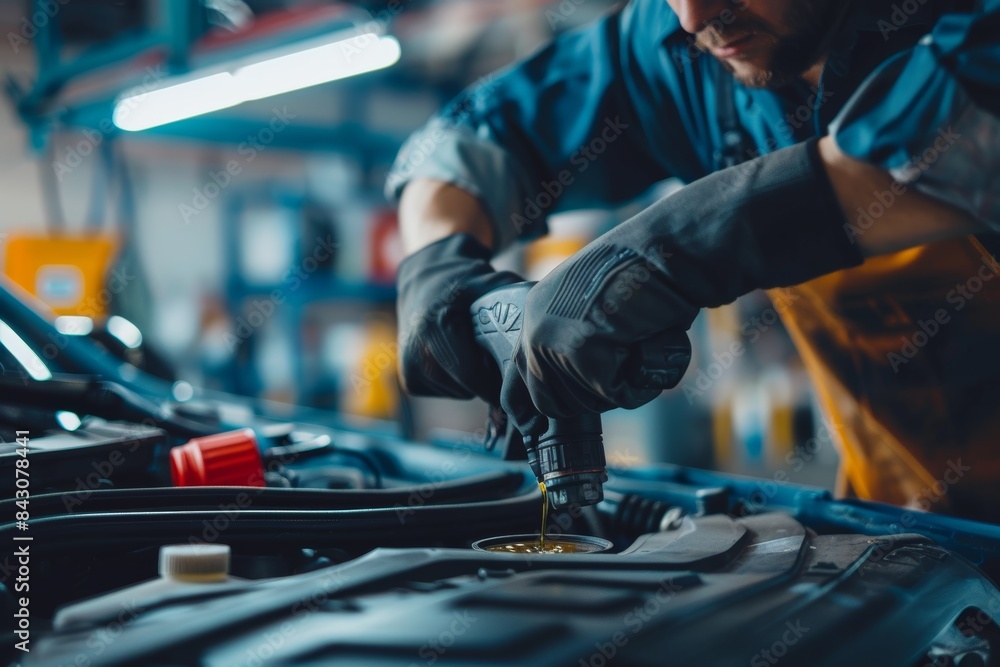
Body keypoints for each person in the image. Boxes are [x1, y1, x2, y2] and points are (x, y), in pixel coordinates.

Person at [386, 0, 1000, 521]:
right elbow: (481, 131)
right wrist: (436, 262)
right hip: (916, 528)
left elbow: (961, 136)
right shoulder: (687, 51)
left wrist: (697, 240)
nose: (693, 18)